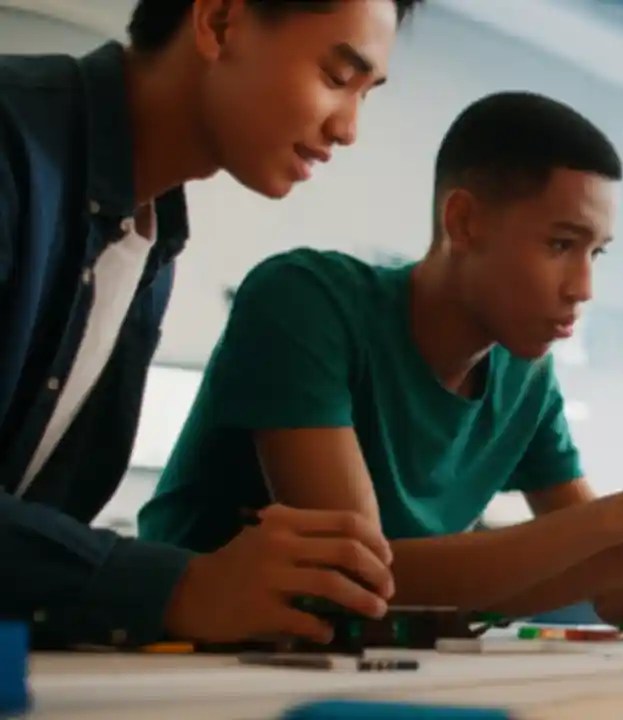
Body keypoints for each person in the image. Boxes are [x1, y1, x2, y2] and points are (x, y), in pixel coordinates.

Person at [139, 91, 623, 623]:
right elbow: (360, 579)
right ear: (464, 222)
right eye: (562, 245)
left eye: (597, 253)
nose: (583, 288)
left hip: (356, 666)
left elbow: (609, 592)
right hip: (174, 657)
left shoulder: (527, 375)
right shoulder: (308, 300)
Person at [0, 0, 427, 648]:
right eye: (338, 78)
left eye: (367, 94)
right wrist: (175, 585)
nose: (349, 130)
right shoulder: (12, 144)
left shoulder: (149, 241)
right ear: (220, 22)